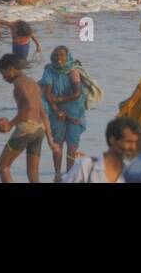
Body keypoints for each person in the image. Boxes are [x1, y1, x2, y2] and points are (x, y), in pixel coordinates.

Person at [0, 53, 60, 183]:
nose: (3, 78)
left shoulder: (19, 83)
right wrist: (50, 140)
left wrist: (10, 124)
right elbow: (42, 113)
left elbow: (29, 106)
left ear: (11, 69)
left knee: (3, 166)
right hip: (39, 130)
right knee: (33, 173)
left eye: (3, 73)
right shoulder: (33, 83)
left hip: (27, 129)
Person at [39, 46, 87, 182]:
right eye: (55, 55)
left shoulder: (73, 72)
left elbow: (77, 94)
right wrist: (57, 110)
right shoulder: (49, 71)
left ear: (67, 57)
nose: (58, 58)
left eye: (61, 55)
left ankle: (70, 175)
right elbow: (47, 94)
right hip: (56, 112)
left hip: (75, 112)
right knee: (57, 144)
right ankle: (57, 174)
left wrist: (60, 99)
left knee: (72, 146)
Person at [63, 117, 140, 183]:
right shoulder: (87, 166)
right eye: (129, 142)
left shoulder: (130, 174)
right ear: (113, 140)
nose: (133, 147)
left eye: (135, 142)